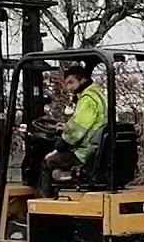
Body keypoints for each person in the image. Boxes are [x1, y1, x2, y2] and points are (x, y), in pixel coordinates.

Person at [39, 64, 107, 197]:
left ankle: (43, 205)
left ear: (82, 80)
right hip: (95, 146)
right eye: (67, 84)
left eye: (71, 82)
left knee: (47, 163)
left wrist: (61, 143)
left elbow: (77, 131)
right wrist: (65, 127)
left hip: (85, 151)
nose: (69, 87)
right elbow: (88, 123)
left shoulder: (87, 99)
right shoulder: (98, 94)